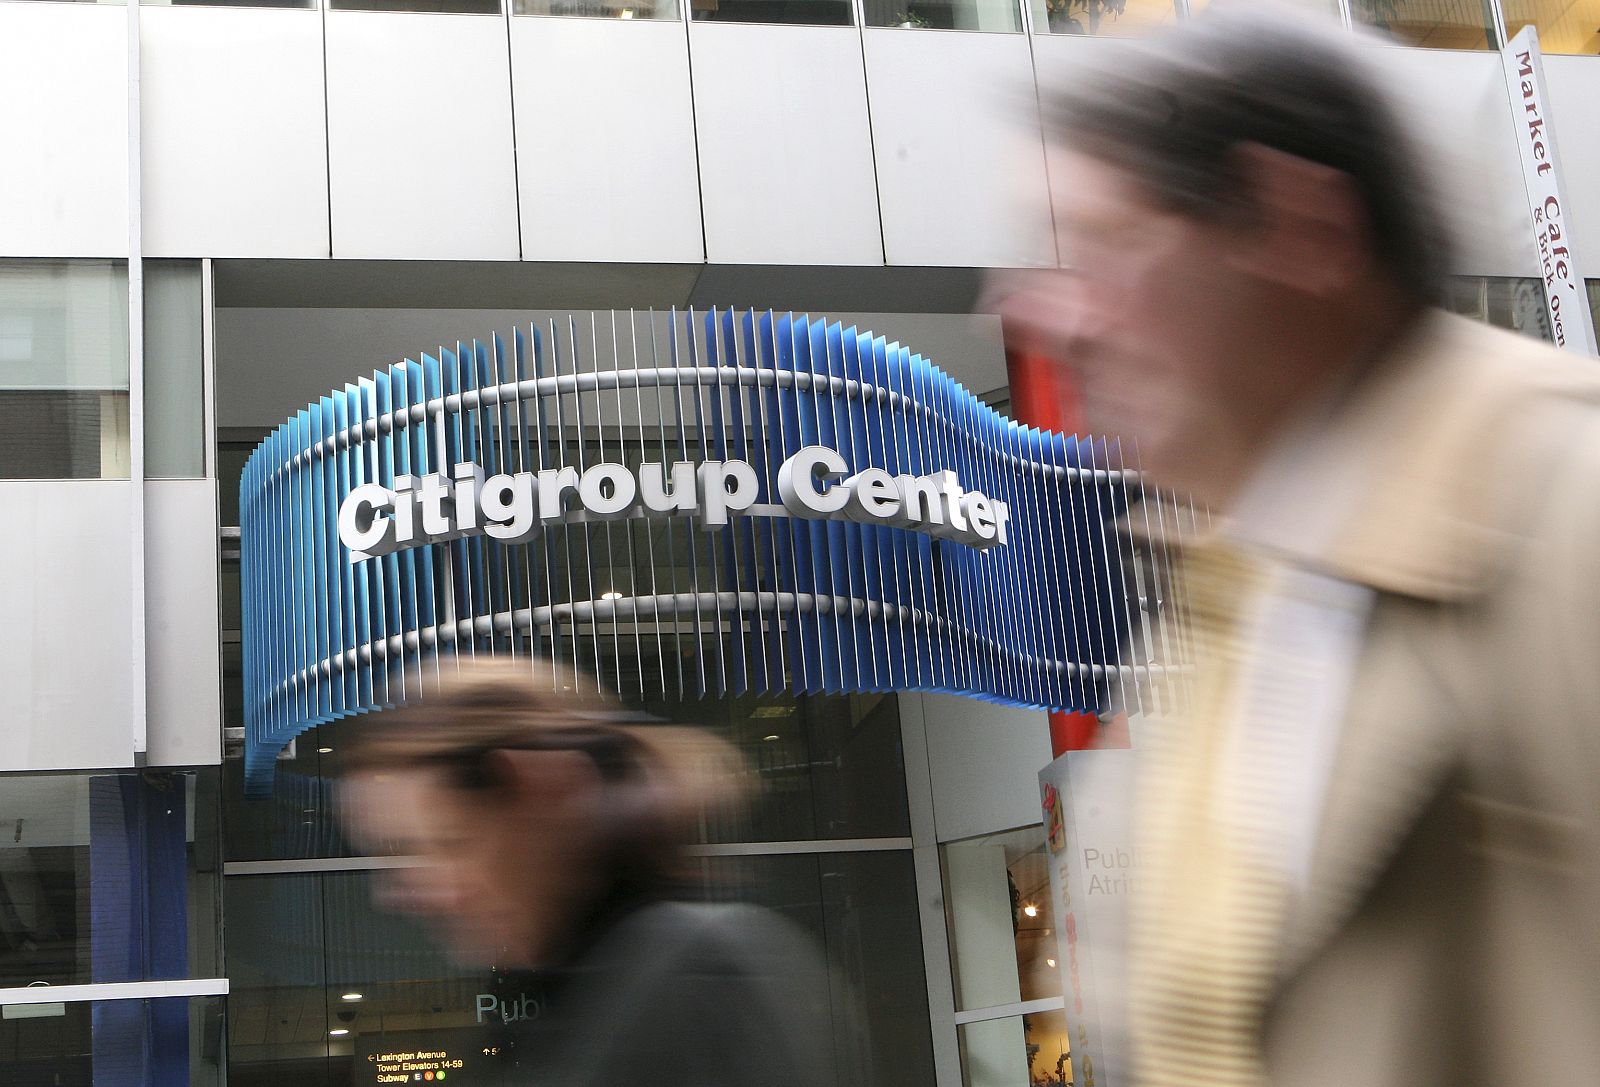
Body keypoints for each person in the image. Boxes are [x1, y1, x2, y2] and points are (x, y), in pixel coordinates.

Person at [995, 9, 1600, 1087]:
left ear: (1298, 228)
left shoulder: (1564, 508)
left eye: (1103, 248)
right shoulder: (1228, 601)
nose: (1046, 316)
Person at [338, 658, 835, 1087]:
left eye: (442, 845)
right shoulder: (572, 989)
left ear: (537, 787)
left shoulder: (697, 970)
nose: (404, 894)